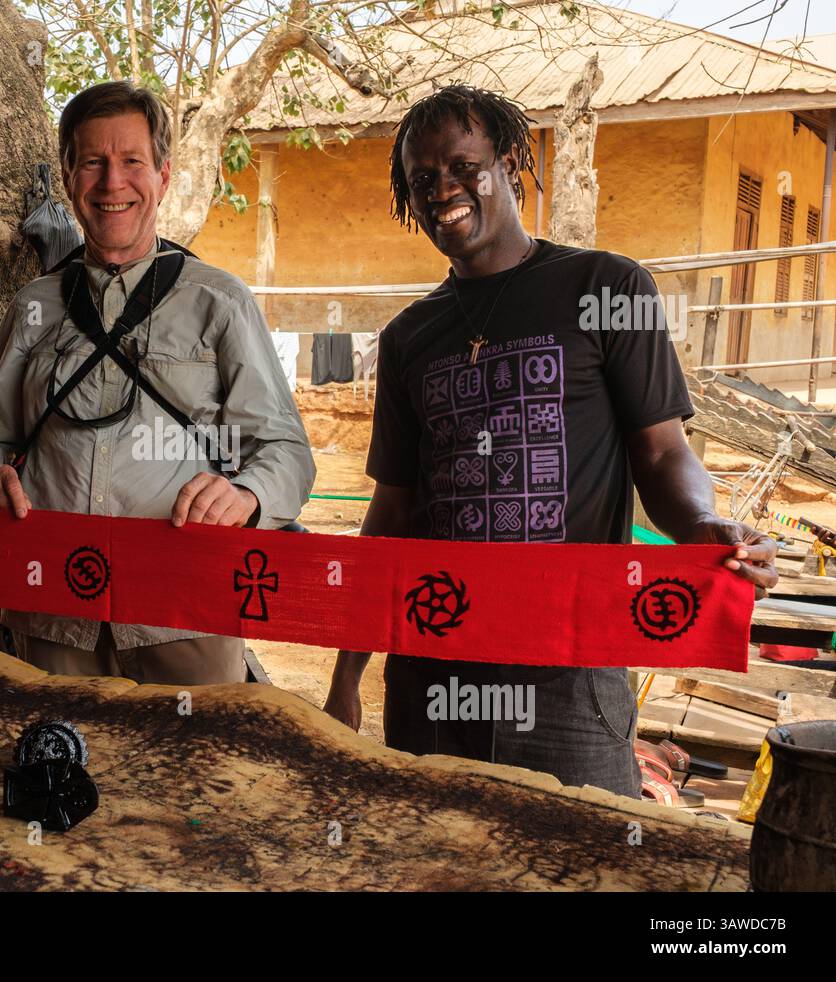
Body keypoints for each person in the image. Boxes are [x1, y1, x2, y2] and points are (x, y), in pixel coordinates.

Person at [322, 85, 778, 797]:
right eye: (422, 181)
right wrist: (348, 674)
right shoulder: (409, 337)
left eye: (461, 166)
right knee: (435, 864)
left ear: (508, 162)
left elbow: (661, 453)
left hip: (570, 675)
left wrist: (700, 523)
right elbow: (394, 513)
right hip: (432, 675)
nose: (443, 190)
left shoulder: (606, 286)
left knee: (586, 865)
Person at [0, 81, 314, 686]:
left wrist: (248, 497)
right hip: (51, 619)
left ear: (163, 176)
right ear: (69, 178)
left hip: (186, 616)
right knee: (58, 768)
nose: (112, 182)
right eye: (92, 162)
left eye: (131, 162)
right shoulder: (34, 307)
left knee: (197, 777)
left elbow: (286, 454)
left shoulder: (219, 302)